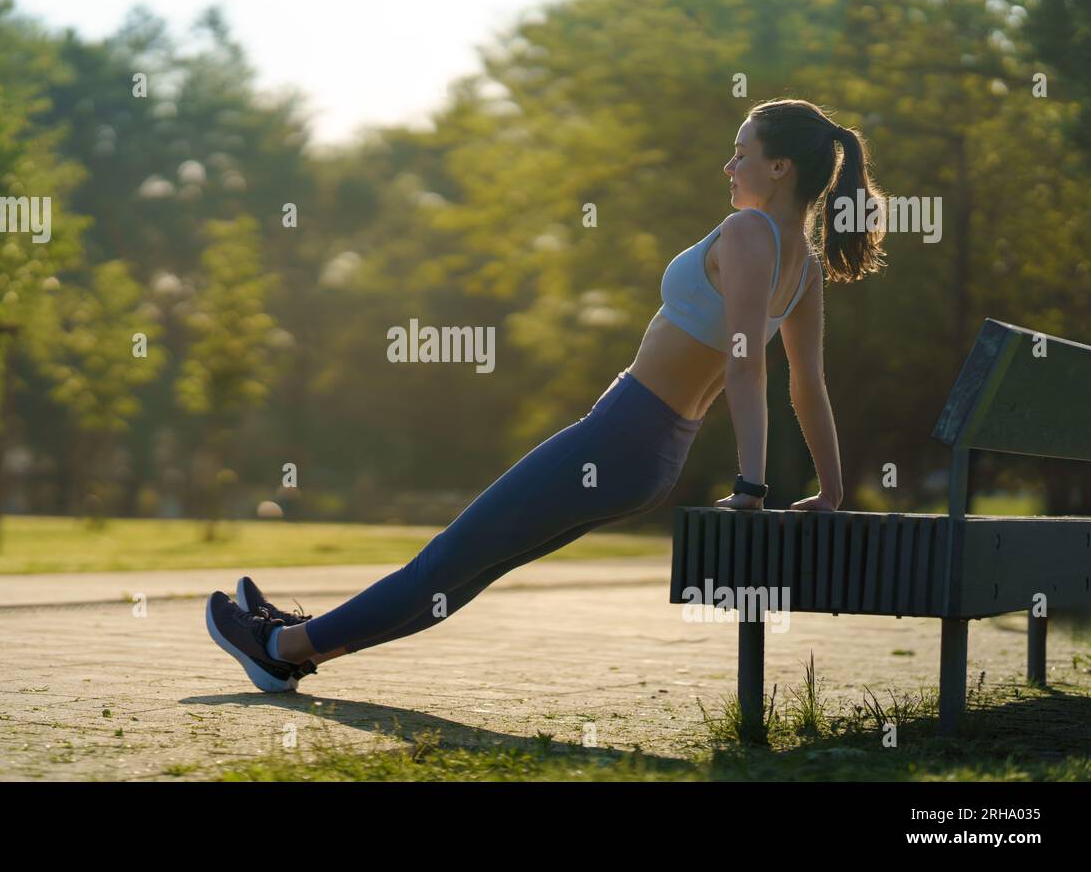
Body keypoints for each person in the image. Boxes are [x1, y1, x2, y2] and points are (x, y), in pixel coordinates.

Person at [206, 97, 888, 692]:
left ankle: (278, 648)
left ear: (779, 168)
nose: (728, 166)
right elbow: (809, 385)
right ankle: (301, 644)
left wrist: (751, 483)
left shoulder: (749, 232)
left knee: (452, 556)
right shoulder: (803, 264)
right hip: (651, 457)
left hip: (623, 432)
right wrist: (828, 489)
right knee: (469, 569)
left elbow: (746, 365)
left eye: (741, 154)